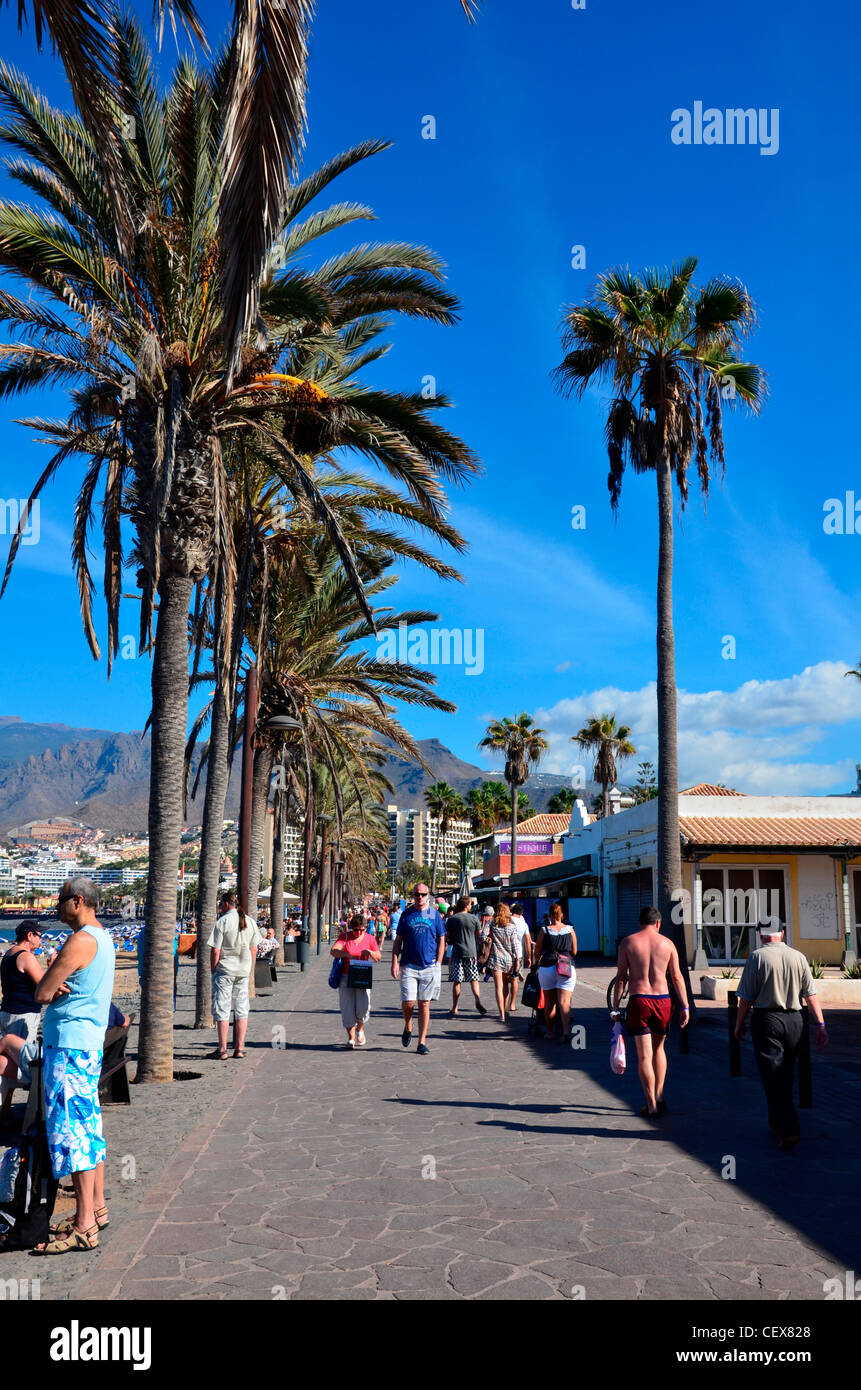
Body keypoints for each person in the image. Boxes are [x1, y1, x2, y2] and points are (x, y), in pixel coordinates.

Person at [32, 877, 115, 1254]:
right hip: (88, 1044)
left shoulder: (80, 940)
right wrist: (58, 971)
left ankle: (83, 1225)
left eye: (61, 901)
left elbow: (43, 992)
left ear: (78, 901)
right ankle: (95, 1208)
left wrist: (53, 972)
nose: (57, 907)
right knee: (89, 1127)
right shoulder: (103, 938)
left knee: (73, 1131)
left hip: (67, 1045)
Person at [734, 919, 827, 1149]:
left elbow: (746, 997)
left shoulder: (757, 957)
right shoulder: (799, 957)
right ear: (782, 933)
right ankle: (776, 1121)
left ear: (760, 934)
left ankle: (789, 1129)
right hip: (796, 1020)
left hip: (767, 1020)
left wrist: (739, 1022)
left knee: (772, 1075)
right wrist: (820, 1024)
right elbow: (811, 994)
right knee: (786, 1073)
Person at [613, 906, 689, 1117]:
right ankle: (660, 1095)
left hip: (639, 1000)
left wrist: (616, 1007)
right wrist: (685, 1006)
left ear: (640, 922)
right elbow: (677, 977)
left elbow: (621, 978)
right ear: (658, 923)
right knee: (659, 1049)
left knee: (644, 1056)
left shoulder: (628, 942)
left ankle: (651, 1104)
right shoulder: (667, 943)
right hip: (663, 1000)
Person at [206, 891, 262, 1060]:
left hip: (225, 970)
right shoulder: (250, 922)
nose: (219, 908)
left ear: (225, 904)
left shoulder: (222, 922)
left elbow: (215, 950)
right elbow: (254, 948)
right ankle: (239, 1048)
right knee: (241, 1009)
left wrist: (213, 968)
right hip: (243, 971)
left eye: (220, 905)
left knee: (222, 1008)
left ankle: (222, 1049)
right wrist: (249, 967)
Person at [391, 882, 446, 1055]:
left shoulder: (433, 914)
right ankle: (408, 1025)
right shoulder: (407, 914)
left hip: (429, 965)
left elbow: (441, 938)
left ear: (428, 895)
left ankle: (422, 1041)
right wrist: (394, 961)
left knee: (424, 1003)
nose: (420, 897)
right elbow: (398, 940)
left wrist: (439, 961)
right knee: (408, 1002)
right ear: (413, 895)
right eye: (417, 894)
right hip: (409, 965)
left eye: (423, 894)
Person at [331, 914, 382, 1048]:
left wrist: (370, 952)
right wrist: (345, 954)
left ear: (365, 928)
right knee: (347, 1007)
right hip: (346, 976)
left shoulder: (370, 939)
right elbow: (334, 951)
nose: (358, 932)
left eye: (361, 929)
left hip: (362, 975)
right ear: (351, 928)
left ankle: (360, 1028)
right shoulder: (345, 937)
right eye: (355, 929)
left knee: (363, 1007)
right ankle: (351, 1036)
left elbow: (378, 957)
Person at [533, 901, 578, 1042]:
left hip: (548, 966)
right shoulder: (570, 929)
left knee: (549, 1002)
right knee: (564, 1001)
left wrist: (537, 960)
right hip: (566, 966)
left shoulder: (544, 930)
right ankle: (566, 1032)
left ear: (550, 915)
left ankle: (550, 1032)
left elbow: (537, 952)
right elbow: (574, 951)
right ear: (562, 915)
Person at [0, 919, 45, 1043]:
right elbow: (44, 985)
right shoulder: (26, 957)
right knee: (24, 1057)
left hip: (8, 1010)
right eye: (40, 936)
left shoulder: (9, 953)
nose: (41, 940)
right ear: (30, 935)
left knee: (11, 1055)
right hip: (23, 1014)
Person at [446, 896, 487, 1017]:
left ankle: (455, 1007)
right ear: (466, 905)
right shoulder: (474, 919)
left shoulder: (452, 919)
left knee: (457, 981)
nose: (471, 906)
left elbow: (448, 936)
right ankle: (478, 1000)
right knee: (474, 979)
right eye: (470, 904)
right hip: (471, 953)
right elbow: (480, 937)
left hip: (457, 953)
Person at [484, 903, 521, 1023]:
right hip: (509, 959)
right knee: (506, 985)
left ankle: (502, 1015)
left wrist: (488, 939)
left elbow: (482, 935)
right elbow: (515, 944)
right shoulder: (512, 925)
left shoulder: (491, 923)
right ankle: (505, 1009)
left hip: (496, 958)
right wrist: (517, 960)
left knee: (499, 987)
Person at [507, 902, 532, 1014]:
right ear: (521, 913)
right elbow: (527, 941)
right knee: (514, 980)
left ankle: (503, 1004)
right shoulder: (524, 924)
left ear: (512, 911)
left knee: (504, 981)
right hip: (518, 955)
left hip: (505, 953)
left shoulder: (507, 920)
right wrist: (529, 957)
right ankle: (512, 1004)